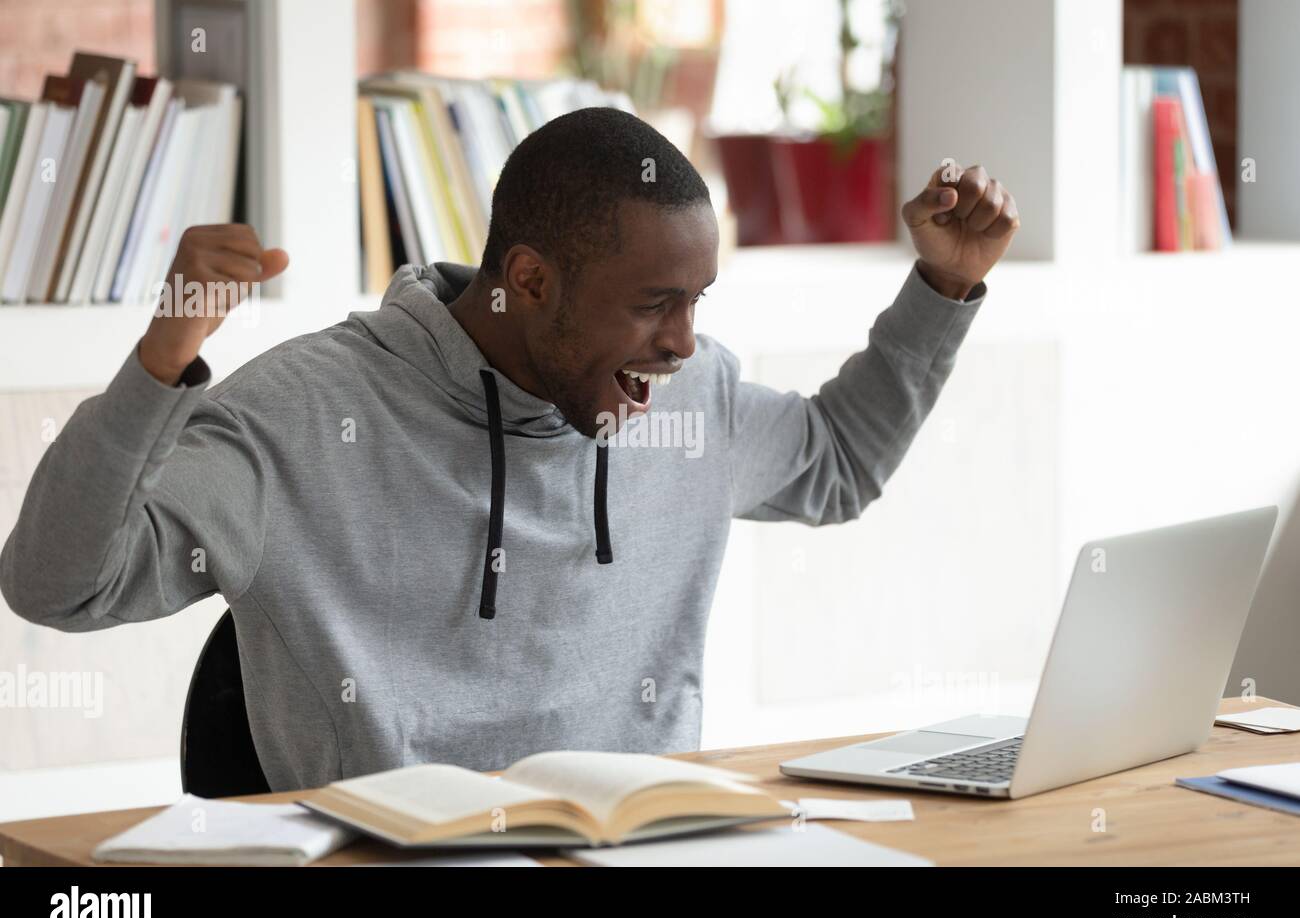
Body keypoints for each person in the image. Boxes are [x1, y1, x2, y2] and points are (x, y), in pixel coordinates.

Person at [0, 108, 1019, 790]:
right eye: (654, 304)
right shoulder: (302, 417)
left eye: (697, 301)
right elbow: (59, 586)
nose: (682, 342)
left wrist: (943, 289)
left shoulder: (685, 396)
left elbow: (839, 463)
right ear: (527, 280)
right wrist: (162, 357)